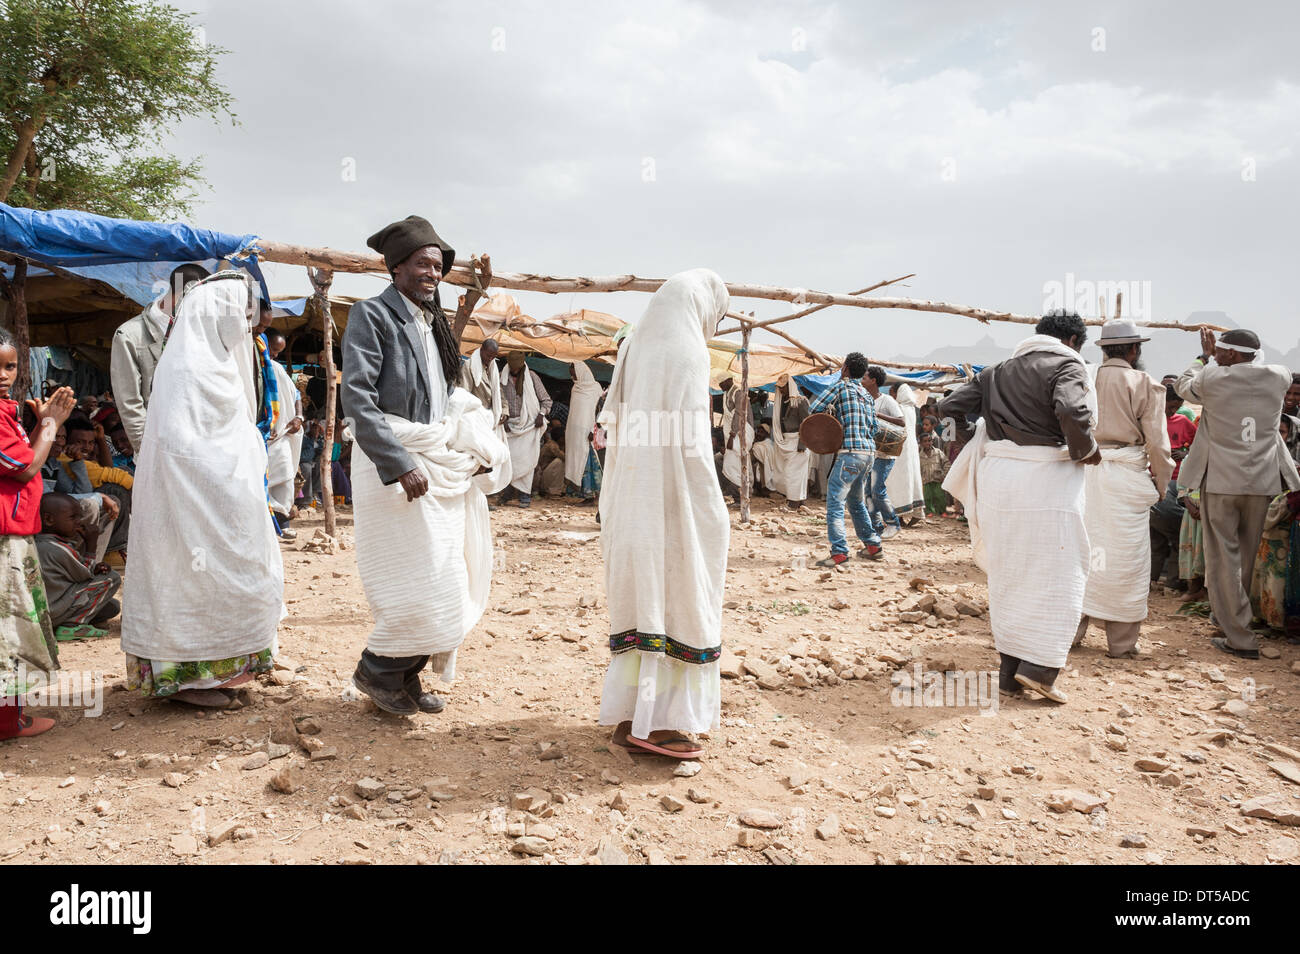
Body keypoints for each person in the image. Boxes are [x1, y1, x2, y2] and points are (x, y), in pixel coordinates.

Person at [342, 214, 503, 716]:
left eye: (437, 266)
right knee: (415, 578)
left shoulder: (431, 323)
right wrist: (397, 463)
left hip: (433, 459)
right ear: (395, 269)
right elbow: (359, 399)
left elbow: (445, 395)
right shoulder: (371, 316)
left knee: (443, 574)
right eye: (421, 265)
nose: (432, 273)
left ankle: (403, 677)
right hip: (394, 464)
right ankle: (378, 670)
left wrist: (466, 441)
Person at [121, 272, 284, 708]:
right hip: (187, 511)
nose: (246, 324)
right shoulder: (189, 372)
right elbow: (189, 447)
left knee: (227, 579)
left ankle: (221, 673)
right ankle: (189, 681)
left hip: (220, 503)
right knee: (191, 579)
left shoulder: (218, 364)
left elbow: (235, 434)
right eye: (241, 313)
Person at [598, 269, 730, 760]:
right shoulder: (688, 350)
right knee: (676, 599)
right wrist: (711, 512)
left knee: (641, 607)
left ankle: (633, 716)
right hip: (669, 504)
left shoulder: (636, 344)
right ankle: (660, 726)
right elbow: (691, 446)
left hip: (633, 506)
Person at [941, 311, 1100, 704]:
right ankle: (1040, 671)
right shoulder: (1067, 365)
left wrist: (980, 430)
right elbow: (1071, 410)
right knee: (1060, 573)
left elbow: (949, 405)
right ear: (1075, 341)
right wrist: (1085, 451)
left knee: (1010, 575)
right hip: (1046, 483)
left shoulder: (996, 371)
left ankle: (1010, 675)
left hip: (999, 482)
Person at [1175, 327, 1300, 659]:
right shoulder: (1279, 377)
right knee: (1245, 559)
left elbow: (1183, 386)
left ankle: (1240, 638)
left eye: (1219, 351)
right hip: (1262, 484)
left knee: (1222, 560)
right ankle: (1227, 618)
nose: (1215, 354)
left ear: (1229, 355)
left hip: (1221, 482)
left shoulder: (1212, 377)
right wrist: (1240, 354)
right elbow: (1261, 363)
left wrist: (1202, 357)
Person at [1075, 320, 1174, 658]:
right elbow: (1158, 446)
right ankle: (1121, 644)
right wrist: (1161, 485)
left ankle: (1070, 632)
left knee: (1080, 551)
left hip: (1081, 474)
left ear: (1103, 349)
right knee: (1125, 558)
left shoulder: (1083, 378)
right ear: (1135, 350)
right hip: (1125, 477)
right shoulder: (1144, 383)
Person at [0, 331, 76, 741]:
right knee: (9, 631)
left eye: (9, 366)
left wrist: (39, 426)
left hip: (13, 533)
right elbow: (27, 469)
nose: (4, 375)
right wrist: (49, 424)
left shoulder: (5, 410)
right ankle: (8, 722)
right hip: (4, 539)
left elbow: (22, 459)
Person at [110, 263, 209, 456]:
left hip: (196, 450)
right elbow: (130, 403)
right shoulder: (129, 336)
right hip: (157, 452)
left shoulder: (197, 332)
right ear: (187, 293)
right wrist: (148, 452)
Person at [808, 352, 882, 566]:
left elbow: (814, 410)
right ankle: (873, 545)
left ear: (846, 368)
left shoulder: (840, 387)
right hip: (868, 454)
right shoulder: (867, 395)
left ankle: (839, 552)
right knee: (856, 502)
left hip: (849, 453)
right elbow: (874, 427)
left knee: (835, 502)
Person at [35, 493, 121, 640]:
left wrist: (95, 567)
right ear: (49, 519)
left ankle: (65, 622)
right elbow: (86, 575)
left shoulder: (38, 543)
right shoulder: (58, 549)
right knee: (112, 578)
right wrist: (91, 544)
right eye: (72, 517)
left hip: (48, 608)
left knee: (111, 606)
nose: (79, 522)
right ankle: (73, 626)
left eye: (79, 517)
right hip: (55, 609)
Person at [1150, 384, 1197, 589]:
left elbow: (1198, 443)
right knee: (1157, 538)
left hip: (1178, 481)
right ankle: (1152, 580)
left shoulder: (1183, 422)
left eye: (1176, 407)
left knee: (1175, 535)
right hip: (1154, 480)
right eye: (1170, 407)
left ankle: (1172, 582)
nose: (1172, 411)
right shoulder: (1151, 420)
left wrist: (1186, 452)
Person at [264, 324, 304, 539]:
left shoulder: (276, 369)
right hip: (262, 435)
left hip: (283, 434)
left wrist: (298, 417)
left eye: (278, 352)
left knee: (284, 475)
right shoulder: (251, 366)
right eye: (272, 349)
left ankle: (282, 522)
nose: (274, 355)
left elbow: (296, 395)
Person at [457, 339, 512, 490]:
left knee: (487, 460)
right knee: (475, 459)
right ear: (481, 350)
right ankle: (473, 493)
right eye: (488, 355)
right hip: (475, 421)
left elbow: (498, 391)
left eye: (493, 356)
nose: (490, 359)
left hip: (490, 421)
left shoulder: (492, 367)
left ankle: (483, 494)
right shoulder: (469, 367)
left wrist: (504, 410)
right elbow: (464, 392)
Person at [751, 376, 811, 510]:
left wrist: (803, 443)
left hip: (798, 442)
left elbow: (807, 424)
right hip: (785, 441)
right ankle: (799, 502)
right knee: (787, 473)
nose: (782, 390)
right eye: (780, 387)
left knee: (793, 473)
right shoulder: (780, 402)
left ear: (790, 386)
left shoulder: (801, 401)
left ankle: (793, 503)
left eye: (784, 386)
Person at [501, 351, 551, 508]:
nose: (515, 371)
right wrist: (503, 418)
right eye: (513, 368)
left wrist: (541, 415)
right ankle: (507, 494)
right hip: (510, 427)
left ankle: (525, 495)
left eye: (518, 368)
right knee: (507, 461)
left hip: (529, 426)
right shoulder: (502, 378)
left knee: (527, 462)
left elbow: (546, 401)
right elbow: (497, 401)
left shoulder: (532, 377)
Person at [863, 366, 905, 538]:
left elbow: (901, 421)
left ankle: (893, 523)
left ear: (874, 381)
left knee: (877, 490)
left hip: (885, 454)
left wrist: (878, 415)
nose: (862, 380)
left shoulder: (887, 400)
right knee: (867, 493)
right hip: (871, 453)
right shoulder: (864, 399)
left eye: (865, 377)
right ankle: (877, 527)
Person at [886, 382, 926, 523]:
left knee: (898, 481)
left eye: (893, 393)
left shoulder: (899, 408)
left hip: (899, 450)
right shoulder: (912, 409)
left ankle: (899, 514)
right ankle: (916, 513)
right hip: (911, 450)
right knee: (912, 478)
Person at [564, 361, 604, 498]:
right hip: (575, 433)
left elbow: (600, 411)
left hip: (588, 433)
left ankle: (590, 495)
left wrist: (594, 431)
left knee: (587, 463)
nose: (573, 377)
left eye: (574, 374)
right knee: (576, 462)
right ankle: (581, 493)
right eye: (571, 375)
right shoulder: (575, 388)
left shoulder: (595, 389)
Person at [919, 432, 949, 516]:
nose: (927, 443)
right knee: (927, 497)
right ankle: (929, 511)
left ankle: (942, 511)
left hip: (938, 478)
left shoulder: (938, 452)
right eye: (925, 441)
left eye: (929, 440)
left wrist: (944, 475)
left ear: (932, 441)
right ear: (921, 443)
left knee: (940, 496)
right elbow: (918, 468)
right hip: (925, 479)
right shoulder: (919, 455)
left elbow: (946, 463)